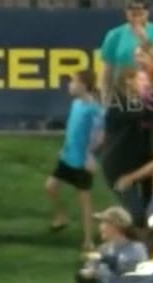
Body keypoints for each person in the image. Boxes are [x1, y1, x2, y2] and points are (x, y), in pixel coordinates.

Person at [99, 69, 153, 227]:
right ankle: (125, 237)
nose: (147, 84)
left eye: (147, 81)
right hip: (118, 166)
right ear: (128, 82)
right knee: (137, 213)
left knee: (151, 211)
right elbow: (137, 115)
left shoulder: (150, 104)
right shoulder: (117, 105)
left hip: (143, 165)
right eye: (142, 80)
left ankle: (145, 242)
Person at [46, 70, 104, 248]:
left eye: (73, 82)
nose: (69, 85)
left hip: (81, 162)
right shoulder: (75, 104)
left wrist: (91, 157)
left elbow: (99, 136)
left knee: (84, 202)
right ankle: (61, 215)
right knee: (50, 186)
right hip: (67, 157)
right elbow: (72, 130)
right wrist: (64, 149)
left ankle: (88, 240)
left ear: (83, 86)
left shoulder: (95, 110)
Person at [98, 1, 153, 103]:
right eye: (133, 13)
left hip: (151, 94)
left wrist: (144, 39)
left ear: (147, 12)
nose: (136, 17)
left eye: (140, 13)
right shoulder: (114, 35)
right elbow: (108, 72)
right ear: (126, 12)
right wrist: (105, 98)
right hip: (122, 93)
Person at [78, 206, 149, 283]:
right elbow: (90, 270)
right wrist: (85, 275)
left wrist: (103, 258)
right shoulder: (103, 249)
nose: (100, 227)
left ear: (116, 226)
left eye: (104, 223)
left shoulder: (137, 249)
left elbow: (127, 266)